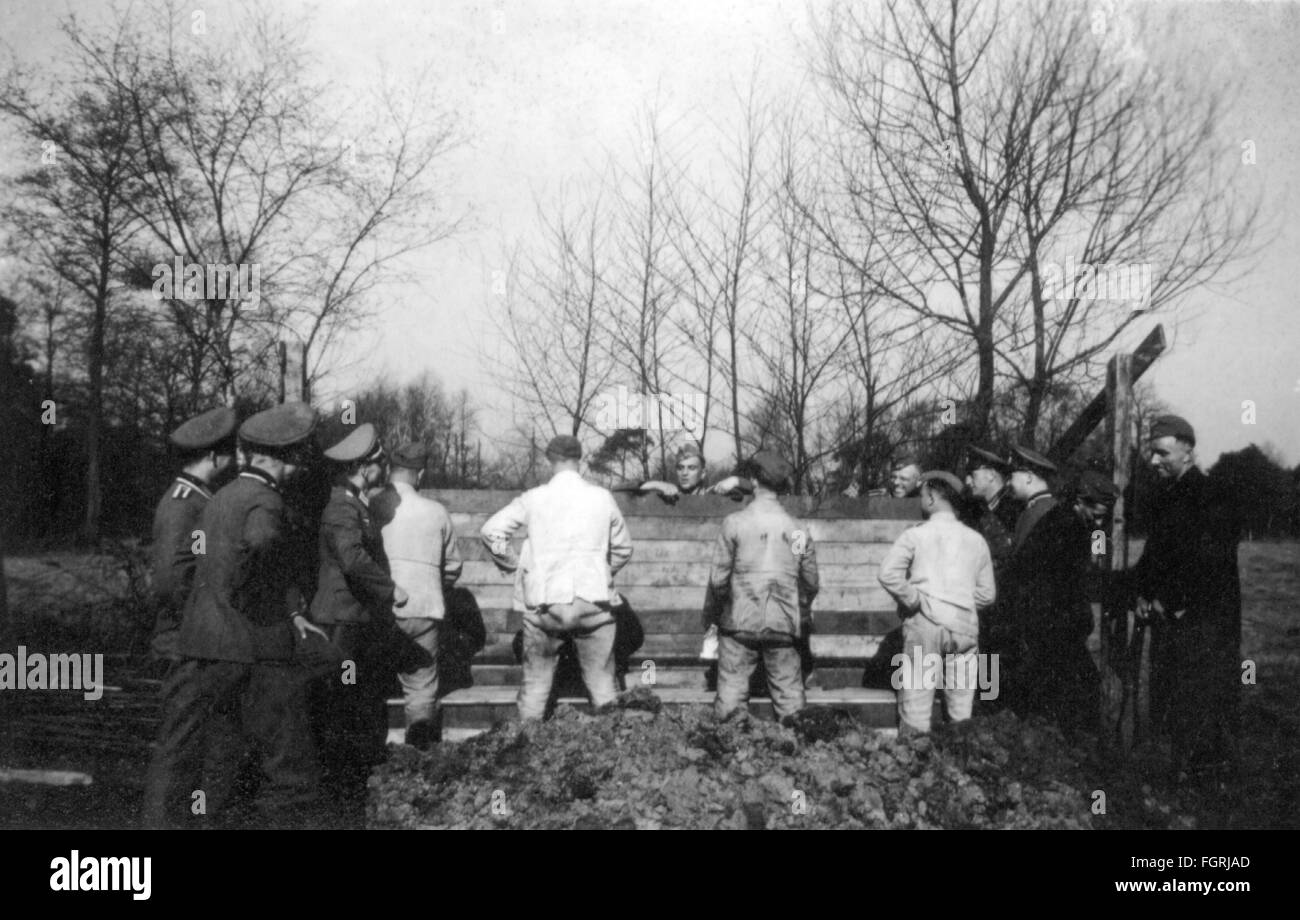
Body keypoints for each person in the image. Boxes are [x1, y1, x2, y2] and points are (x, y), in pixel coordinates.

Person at [142, 401, 328, 829]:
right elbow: (180, 578)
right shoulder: (213, 501)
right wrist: (241, 599)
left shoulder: (216, 498)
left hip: (207, 640)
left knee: (217, 750)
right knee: (192, 752)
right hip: (216, 641)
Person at [480, 435, 633, 721]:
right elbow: (624, 548)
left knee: (536, 687)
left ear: (550, 460)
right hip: (593, 603)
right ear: (580, 460)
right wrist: (601, 573)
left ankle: (528, 746)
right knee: (603, 686)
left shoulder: (534, 498)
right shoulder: (602, 498)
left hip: (545, 605)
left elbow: (491, 531)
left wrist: (515, 564)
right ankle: (615, 750)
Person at [1131, 415, 1241, 783]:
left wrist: (1171, 600)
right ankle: (1180, 780)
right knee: (1174, 704)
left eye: (1161, 452)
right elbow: (1153, 558)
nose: (1153, 461)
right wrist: (1142, 593)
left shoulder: (1213, 495)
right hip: (1173, 626)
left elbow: (1212, 563)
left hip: (1205, 627)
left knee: (1202, 703)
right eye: (1151, 453)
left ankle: (1209, 786)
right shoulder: (1167, 497)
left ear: (1187, 449)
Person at [308, 423, 407, 809]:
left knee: (357, 700)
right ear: (366, 467)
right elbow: (351, 559)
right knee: (342, 703)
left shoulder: (354, 504)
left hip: (354, 619)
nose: (384, 471)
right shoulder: (341, 506)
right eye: (380, 464)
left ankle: (351, 784)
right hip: (341, 621)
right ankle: (338, 790)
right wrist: (390, 589)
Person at [706, 450, 819, 722]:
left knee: (730, 704)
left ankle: (730, 751)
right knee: (791, 704)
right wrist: (796, 605)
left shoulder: (734, 523)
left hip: (739, 625)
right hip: (783, 626)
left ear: (754, 481)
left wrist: (721, 611)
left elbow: (718, 581)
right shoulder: (797, 530)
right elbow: (811, 582)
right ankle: (797, 749)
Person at [878, 471, 995, 732]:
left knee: (916, 708)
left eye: (922, 495)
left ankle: (913, 766)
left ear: (931, 497)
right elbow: (987, 594)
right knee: (962, 712)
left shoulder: (915, 535)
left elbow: (887, 573)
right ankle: (961, 767)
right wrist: (959, 601)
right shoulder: (977, 541)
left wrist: (914, 599)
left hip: (925, 624)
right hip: (965, 627)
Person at [370, 442, 463, 749]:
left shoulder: (370, 504)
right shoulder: (437, 512)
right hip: (424, 609)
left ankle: (370, 756)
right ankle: (419, 756)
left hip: (378, 609)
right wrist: (434, 586)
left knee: (367, 680)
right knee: (421, 686)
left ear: (388, 470)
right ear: (419, 473)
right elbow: (453, 566)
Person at [1001, 445, 1098, 732]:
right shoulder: (1032, 511)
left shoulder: (1044, 514)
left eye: (1013, 475)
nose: (1009, 482)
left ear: (1030, 477)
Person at [149, 407, 239, 666]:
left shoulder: (199, 498)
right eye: (229, 455)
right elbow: (169, 578)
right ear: (213, 457)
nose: (233, 462)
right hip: (182, 635)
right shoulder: (184, 504)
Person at [623, 442, 753, 501]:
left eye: (691, 468)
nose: (684, 473)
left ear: (702, 473)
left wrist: (734, 480)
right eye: (680, 468)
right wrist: (658, 484)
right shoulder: (670, 493)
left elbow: (756, 489)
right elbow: (621, 488)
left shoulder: (711, 493)